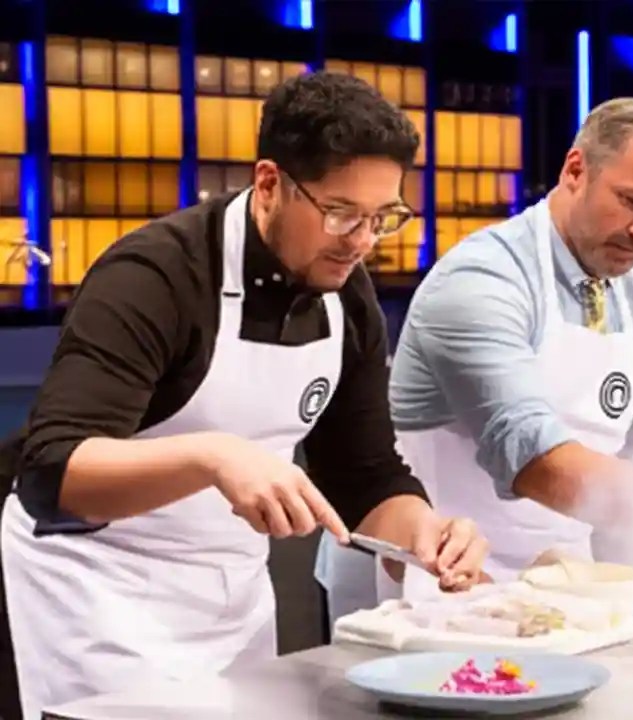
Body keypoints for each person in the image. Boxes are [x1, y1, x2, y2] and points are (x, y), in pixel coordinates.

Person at [0, 72, 487, 719]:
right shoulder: (155, 276)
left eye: (382, 218)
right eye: (341, 213)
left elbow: (365, 474)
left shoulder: (348, 296)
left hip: (233, 607)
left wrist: (424, 535)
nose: (363, 241)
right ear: (269, 183)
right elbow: (52, 473)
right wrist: (212, 456)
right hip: (98, 600)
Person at [315, 97, 633, 613]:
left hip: (563, 585)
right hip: (425, 579)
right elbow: (538, 463)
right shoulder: (481, 280)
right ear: (575, 171)